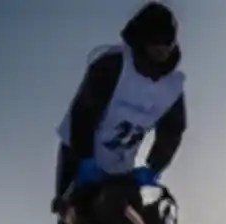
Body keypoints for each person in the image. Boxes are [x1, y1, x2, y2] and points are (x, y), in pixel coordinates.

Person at [52, 1, 187, 212]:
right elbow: (84, 114)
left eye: (167, 44)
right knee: (76, 214)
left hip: (121, 166)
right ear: (143, 40)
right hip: (81, 154)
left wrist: (153, 168)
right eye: (156, 43)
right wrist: (85, 161)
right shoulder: (112, 65)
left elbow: (172, 131)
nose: (161, 50)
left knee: (138, 223)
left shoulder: (172, 88)